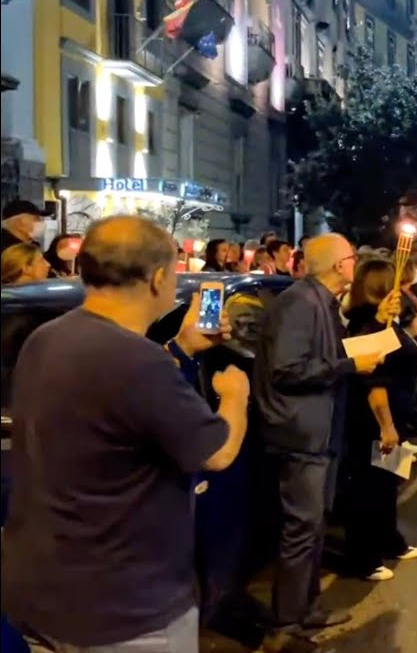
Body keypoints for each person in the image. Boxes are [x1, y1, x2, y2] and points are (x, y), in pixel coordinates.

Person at [3, 215, 250, 652]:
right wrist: (235, 397)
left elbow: (118, 397)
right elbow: (218, 452)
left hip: (42, 597)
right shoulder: (138, 363)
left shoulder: (46, 339)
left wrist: (184, 347)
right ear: (157, 278)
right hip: (125, 613)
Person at [253, 233, 387, 650]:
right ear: (337, 265)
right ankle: (288, 620)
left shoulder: (323, 301)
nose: (356, 263)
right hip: (300, 434)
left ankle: (306, 609)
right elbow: (288, 370)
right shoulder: (299, 302)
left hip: (319, 431)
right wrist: (350, 364)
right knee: (302, 527)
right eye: (351, 256)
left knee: (313, 526)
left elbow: (322, 356)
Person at [341, 259, 417, 582]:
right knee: (369, 486)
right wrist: (386, 426)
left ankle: (389, 539)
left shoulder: (386, 323)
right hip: (375, 421)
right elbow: (374, 383)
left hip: (397, 416)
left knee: (388, 483)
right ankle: (362, 557)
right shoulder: (365, 326)